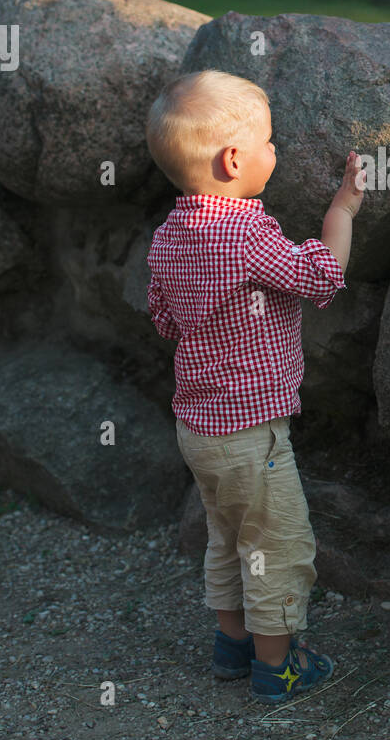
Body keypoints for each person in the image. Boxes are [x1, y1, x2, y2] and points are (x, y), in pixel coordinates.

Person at [144, 68, 365, 703]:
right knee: (276, 542)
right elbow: (319, 278)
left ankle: (231, 644)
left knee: (226, 536)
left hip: (199, 431)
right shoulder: (246, 232)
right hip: (251, 432)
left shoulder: (168, 238)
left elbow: (164, 317)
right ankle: (277, 667)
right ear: (233, 158)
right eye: (270, 141)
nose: (277, 151)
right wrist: (342, 209)